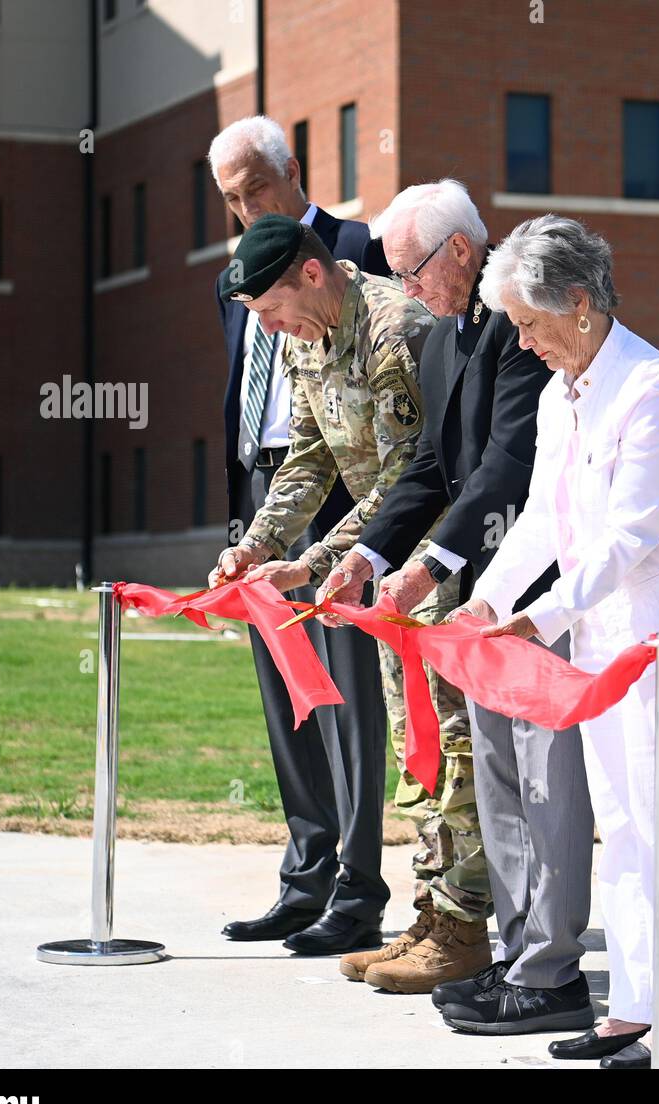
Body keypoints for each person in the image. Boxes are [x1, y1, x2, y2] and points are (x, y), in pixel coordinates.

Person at [464, 215, 659, 1069]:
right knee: (619, 829)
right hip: (595, 649)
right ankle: (634, 1009)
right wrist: (487, 597)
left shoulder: (653, 389)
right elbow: (545, 515)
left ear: (578, 304)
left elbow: (627, 535)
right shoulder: (559, 392)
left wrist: (536, 617)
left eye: (530, 321)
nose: (522, 339)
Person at [323, 180, 591, 1019]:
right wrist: (367, 554)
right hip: (479, 589)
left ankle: (547, 965)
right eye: (395, 276)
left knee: (545, 793)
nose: (406, 290)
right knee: (496, 783)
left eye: (411, 271)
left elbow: (507, 464)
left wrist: (430, 567)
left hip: (531, 592)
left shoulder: (521, 327)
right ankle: (510, 954)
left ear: (462, 252)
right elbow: (433, 471)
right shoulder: (442, 338)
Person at [208, 214, 440, 964]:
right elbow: (308, 460)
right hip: (374, 560)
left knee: (444, 749)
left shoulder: (394, 329)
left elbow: (412, 478)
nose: (269, 329)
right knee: (419, 745)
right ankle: (397, 907)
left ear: (313, 273)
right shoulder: (301, 336)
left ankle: (457, 920)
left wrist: (310, 563)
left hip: (433, 561)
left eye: (271, 309)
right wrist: (257, 545)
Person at [208, 115, 391, 950]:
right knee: (286, 694)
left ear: (293, 173)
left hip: (353, 485)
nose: (246, 210)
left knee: (349, 691)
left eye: (256, 190)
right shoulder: (231, 280)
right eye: (230, 200)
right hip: (272, 485)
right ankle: (306, 872)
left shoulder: (365, 245)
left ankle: (359, 878)